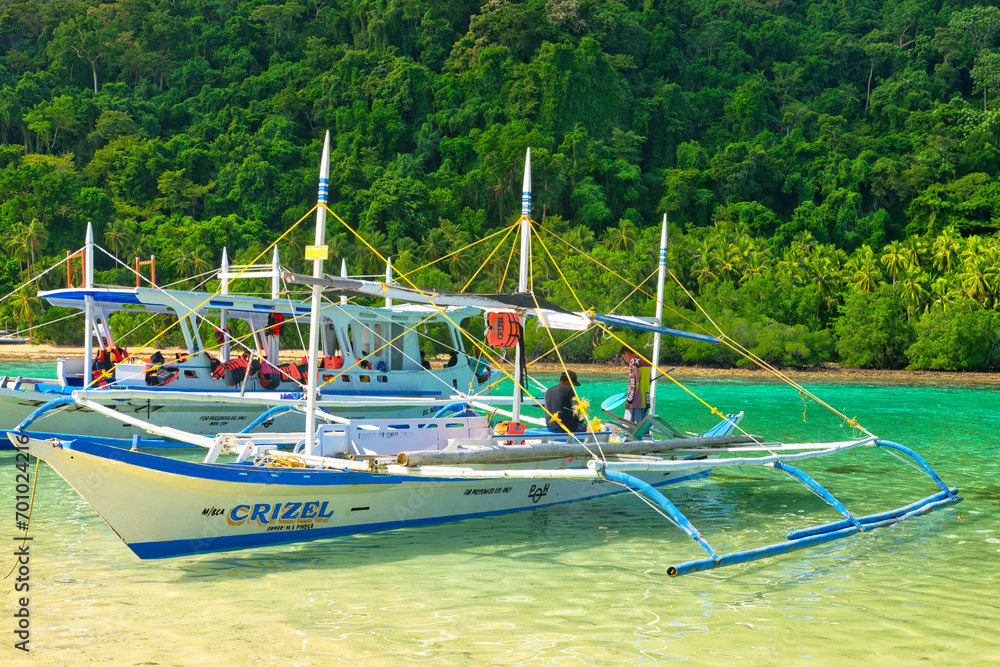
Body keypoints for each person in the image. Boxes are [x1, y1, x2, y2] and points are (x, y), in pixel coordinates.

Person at [621, 345, 651, 424]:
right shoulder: (645, 362)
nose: (626, 360)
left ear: (627, 353)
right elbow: (650, 381)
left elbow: (633, 383)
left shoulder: (633, 363)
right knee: (642, 427)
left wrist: (629, 401)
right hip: (646, 401)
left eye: (624, 358)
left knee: (631, 427)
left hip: (636, 402)